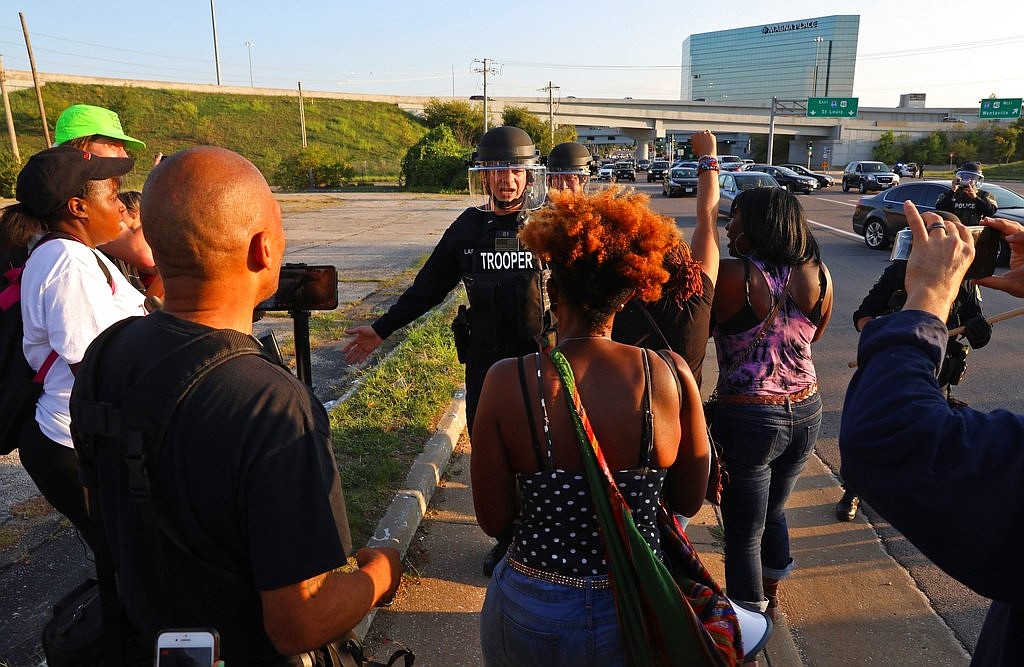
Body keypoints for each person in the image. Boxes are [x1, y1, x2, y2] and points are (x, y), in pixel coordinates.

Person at [69, 147, 402, 664]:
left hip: (135, 642)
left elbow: (99, 506)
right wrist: (381, 573)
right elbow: (300, 621)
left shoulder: (105, 354)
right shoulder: (271, 405)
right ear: (263, 249)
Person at [471, 186, 711, 666]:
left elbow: (494, 520)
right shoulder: (670, 375)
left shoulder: (508, 381)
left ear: (553, 291)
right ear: (628, 295)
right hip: (636, 607)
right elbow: (686, 500)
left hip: (532, 602)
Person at [342, 126, 549, 576]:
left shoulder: (549, 225)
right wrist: (382, 328)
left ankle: (543, 537)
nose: (507, 179)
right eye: (497, 170)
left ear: (529, 175)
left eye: (515, 169)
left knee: (542, 449)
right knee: (493, 452)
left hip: (541, 359)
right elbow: (428, 287)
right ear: (484, 177)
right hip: (486, 362)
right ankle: (507, 538)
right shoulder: (469, 227)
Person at [840, 201, 1024, 666]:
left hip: (920, 375)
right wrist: (917, 312)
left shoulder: (956, 286)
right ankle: (852, 493)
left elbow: (893, 433)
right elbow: (865, 317)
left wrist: (941, 309)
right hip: (906, 366)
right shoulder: (904, 273)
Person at [3, 146, 146, 554]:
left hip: (83, 437)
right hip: (74, 444)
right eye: (114, 195)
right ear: (79, 206)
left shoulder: (77, 253)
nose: (122, 207)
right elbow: (94, 371)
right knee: (129, 554)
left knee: (125, 554)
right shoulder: (67, 263)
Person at [709, 186, 832, 621]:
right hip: (807, 410)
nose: (728, 225)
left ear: (757, 224)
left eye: (735, 217)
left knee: (744, 531)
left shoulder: (732, 276)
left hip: (749, 417)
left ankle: (747, 625)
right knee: (774, 510)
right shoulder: (819, 274)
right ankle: (772, 592)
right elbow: (812, 337)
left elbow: (696, 331)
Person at [837, 210, 991, 522]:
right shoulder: (897, 274)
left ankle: (920, 499)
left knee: (929, 438)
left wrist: (980, 330)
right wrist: (883, 343)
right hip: (894, 367)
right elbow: (863, 315)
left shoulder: (965, 284)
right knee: (875, 432)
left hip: (939, 372)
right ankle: (854, 489)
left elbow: (979, 334)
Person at [612, 129, 721, 386]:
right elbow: (708, 221)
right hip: (684, 422)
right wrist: (708, 157)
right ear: (683, 258)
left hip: (628, 419)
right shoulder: (696, 298)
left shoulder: (617, 303)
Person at [55, 104, 162, 299]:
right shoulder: (74, 202)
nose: (124, 156)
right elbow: (146, 254)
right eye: (114, 144)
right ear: (83, 146)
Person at [935, 162, 997, 226]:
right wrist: (952, 192)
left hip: (974, 230)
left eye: (972, 177)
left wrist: (975, 198)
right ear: (960, 177)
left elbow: (991, 212)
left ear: (977, 179)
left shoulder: (984, 195)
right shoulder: (950, 194)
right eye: (965, 176)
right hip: (955, 229)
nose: (968, 179)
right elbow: (940, 209)